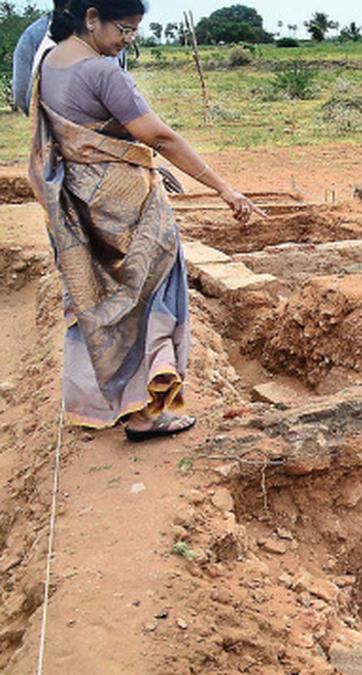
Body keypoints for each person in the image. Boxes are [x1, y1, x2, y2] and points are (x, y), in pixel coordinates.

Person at [29, 0, 264, 440]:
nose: (128, 40)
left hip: (82, 205)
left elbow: (98, 137)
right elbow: (158, 134)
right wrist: (225, 188)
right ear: (91, 16)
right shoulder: (102, 72)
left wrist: (140, 156)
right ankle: (144, 414)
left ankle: (105, 403)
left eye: (135, 32)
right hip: (127, 208)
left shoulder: (51, 62)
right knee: (152, 298)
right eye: (124, 29)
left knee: (103, 304)